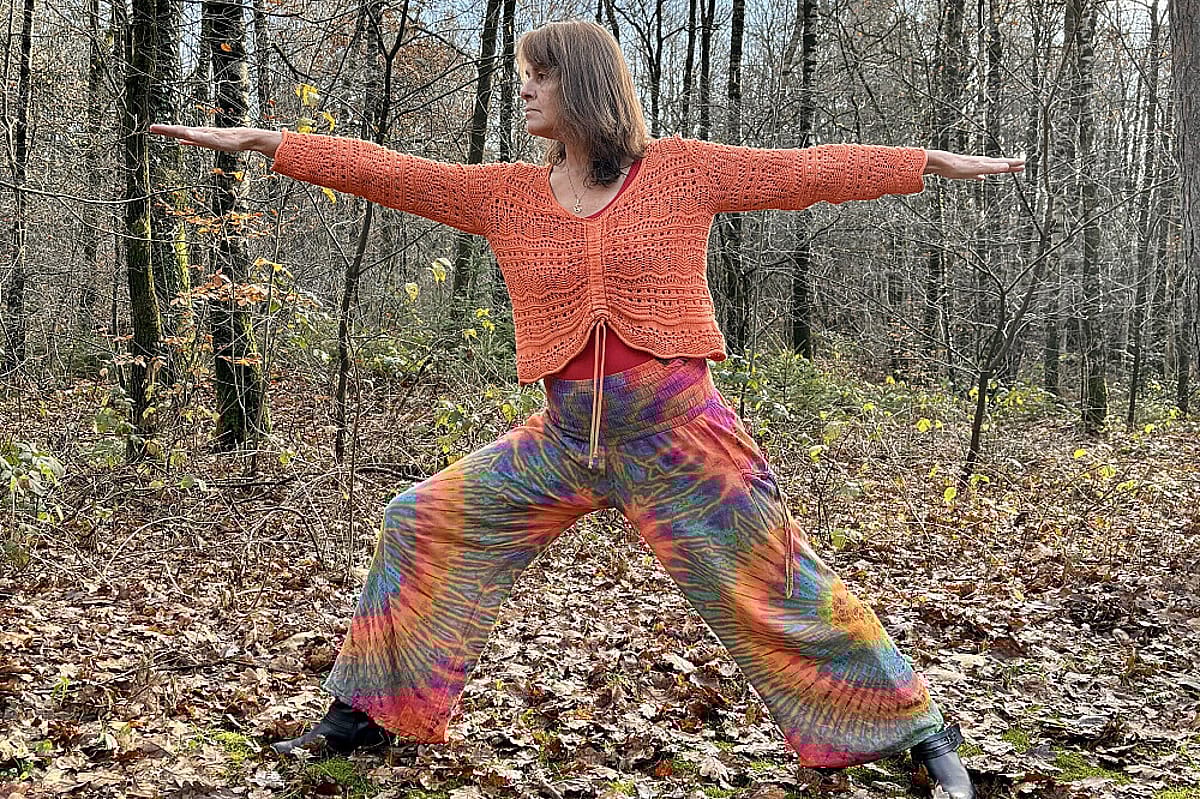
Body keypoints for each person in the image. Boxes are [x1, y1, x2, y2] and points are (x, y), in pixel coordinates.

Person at [152, 19, 1022, 798]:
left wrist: (926, 163)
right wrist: (265, 139)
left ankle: (921, 732)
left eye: (540, 74)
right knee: (419, 518)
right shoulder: (506, 195)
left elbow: (806, 172)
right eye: (522, 73)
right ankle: (367, 715)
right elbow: (387, 172)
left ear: (588, 84)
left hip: (681, 439)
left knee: (781, 589)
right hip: (564, 437)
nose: (523, 88)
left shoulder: (680, 171)